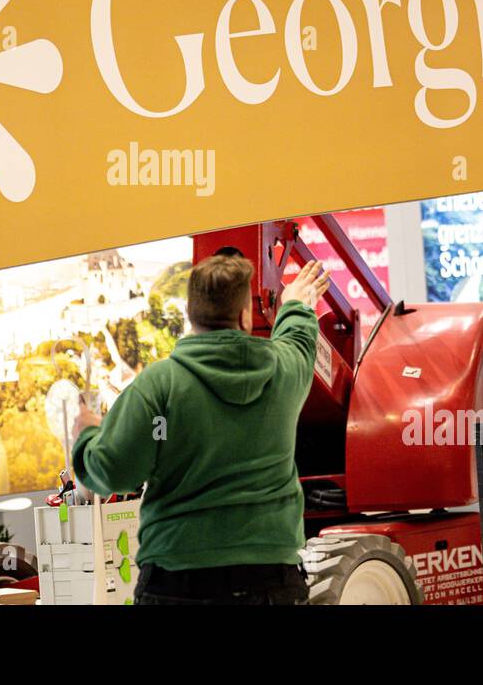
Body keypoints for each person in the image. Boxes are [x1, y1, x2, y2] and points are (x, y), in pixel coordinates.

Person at [72, 255, 330, 605]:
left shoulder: (158, 385)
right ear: (244, 316)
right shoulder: (284, 371)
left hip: (178, 583)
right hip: (270, 581)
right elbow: (298, 337)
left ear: (189, 316)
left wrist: (87, 435)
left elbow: (116, 473)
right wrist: (296, 304)